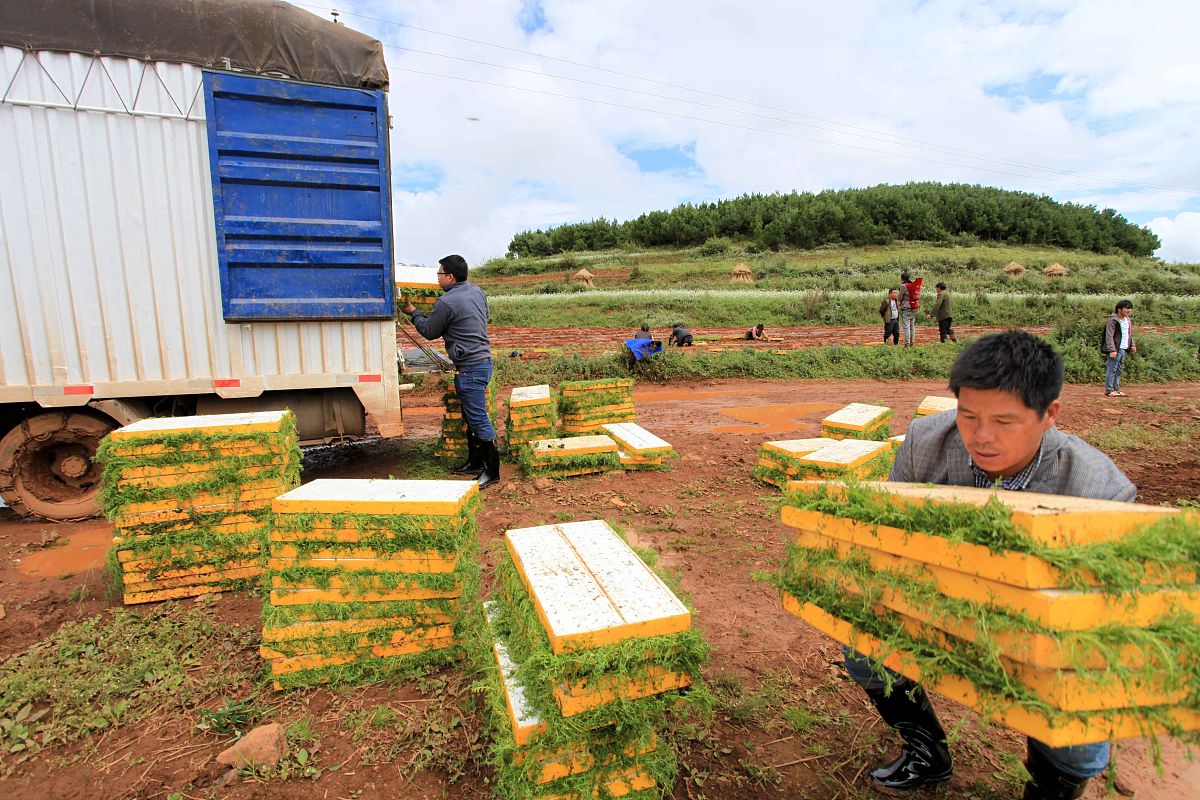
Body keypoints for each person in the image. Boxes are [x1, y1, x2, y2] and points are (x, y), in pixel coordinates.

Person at [844, 330, 1133, 799]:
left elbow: (1099, 620)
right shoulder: (925, 442)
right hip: (937, 601)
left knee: (1079, 726)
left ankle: (1051, 785)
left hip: (1041, 635)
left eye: (1004, 421)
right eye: (968, 415)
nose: (982, 436)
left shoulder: (1098, 490)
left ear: (1049, 415)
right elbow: (889, 536)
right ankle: (927, 750)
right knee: (860, 639)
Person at [402, 254, 500, 489]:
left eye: (439, 274)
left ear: (450, 277)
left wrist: (413, 312)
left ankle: (492, 471)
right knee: (470, 416)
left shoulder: (446, 302)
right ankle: (475, 462)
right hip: (482, 363)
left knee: (478, 419)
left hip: (470, 368)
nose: (437, 278)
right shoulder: (477, 291)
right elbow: (483, 317)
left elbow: (429, 330)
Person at [1103, 299, 1136, 397]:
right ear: (1119, 309)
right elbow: (1109, 336)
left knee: (1119, 370)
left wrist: (1132, 344)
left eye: (1130, 308)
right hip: (1116, 349)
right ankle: (1109, 390)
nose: (1129, 310)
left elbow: (1129, 334)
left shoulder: (1127, 320)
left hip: (1123, 348)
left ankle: (1116, 389)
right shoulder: (1113, 320)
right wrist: (1112, 349)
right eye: (1126, 308)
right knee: (1112, 369)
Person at [897, 271, 923, 347]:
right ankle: (912, 343)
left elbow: (899, 297)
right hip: (914, 307)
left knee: (906, 326)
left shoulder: (903, 286)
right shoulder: (913, 285)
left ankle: (907, 344)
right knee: (912, 326)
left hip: (906, 307)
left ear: (902, 278)